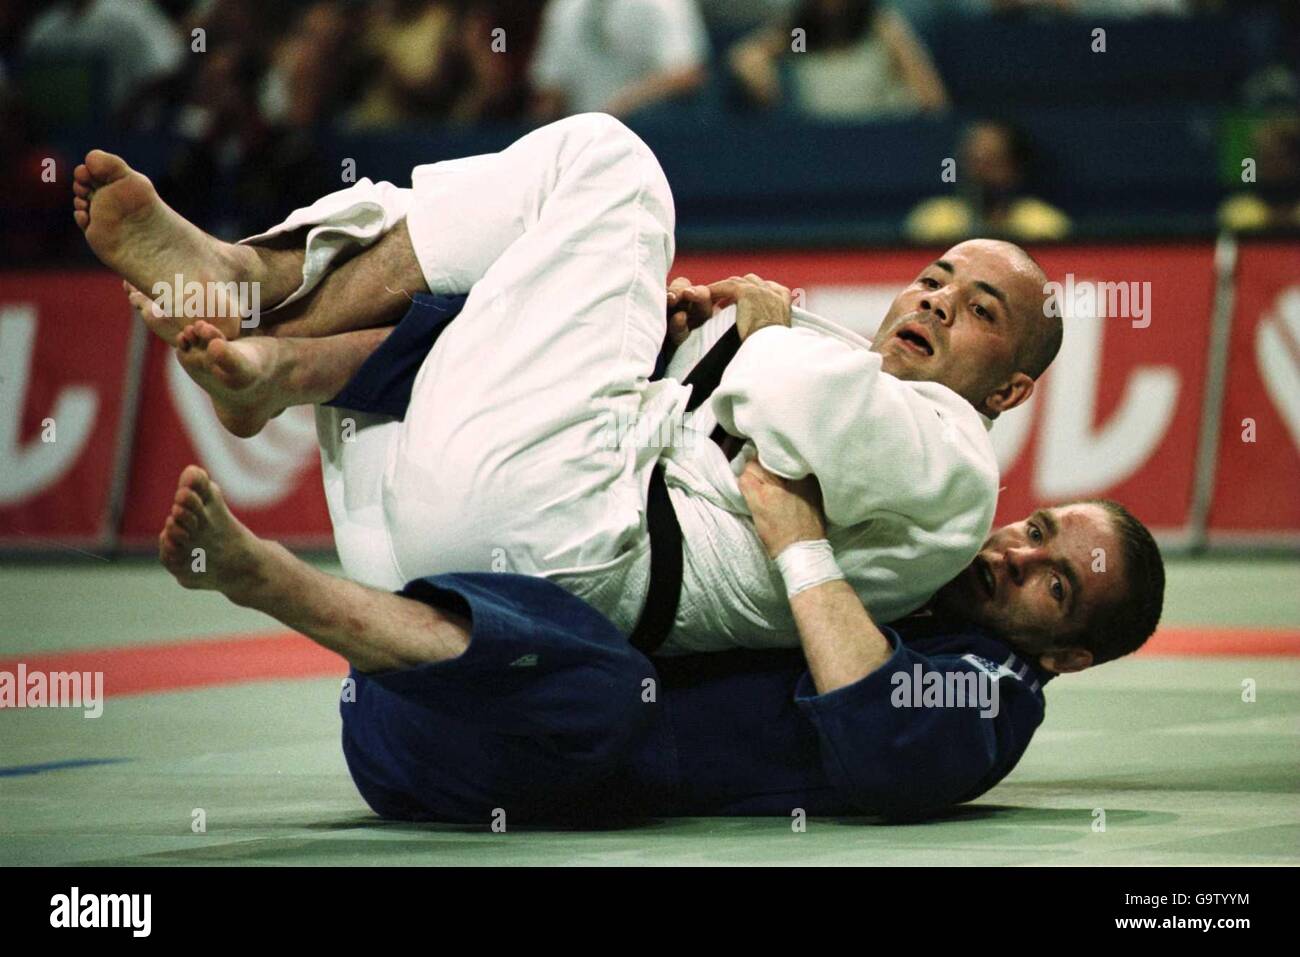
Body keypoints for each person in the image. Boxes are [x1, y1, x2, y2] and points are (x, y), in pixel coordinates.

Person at [73, 112, 1060, 657]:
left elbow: (793, 403)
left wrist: (755, 331)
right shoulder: (857, 381)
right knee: (486, 270)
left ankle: (257, 286)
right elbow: (738, 432)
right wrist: (683, 346)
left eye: (979, 309)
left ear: (1010, 391)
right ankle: (271, 363)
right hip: (439, 556)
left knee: (612, 167)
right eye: (935, 279)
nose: (937, 302)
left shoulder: (958, 463)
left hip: (564, 541)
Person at [147, 453, 1164, 822]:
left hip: (506, 755)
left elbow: (883, 735)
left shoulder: (993, 692)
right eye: (1038, 529)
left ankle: (275, 583)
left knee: (611, 689)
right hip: (423, 684)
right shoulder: (916, 550)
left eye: (1055, 586)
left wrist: (798, 540)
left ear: (1067, 656)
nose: (1016, 554)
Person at [728, 0, 948, 120]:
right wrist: (757, 73)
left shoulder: (882, 26)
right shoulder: (800, 32)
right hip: (824, 147)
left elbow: (933, 102)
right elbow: (745, 56)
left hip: (883, 140)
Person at [906, 120, 1071, 244]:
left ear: (1014, 168)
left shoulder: (1043, 225)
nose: (979, 172)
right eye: (973, 161)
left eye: (992, 162)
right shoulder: (934, 221)